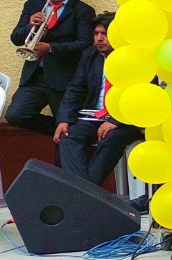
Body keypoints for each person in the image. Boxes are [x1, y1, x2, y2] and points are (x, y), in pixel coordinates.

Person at [55, 12, 142, 188]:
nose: (99, 39)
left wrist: (114, 120)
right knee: (68, 136)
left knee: (111, 138)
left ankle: (83, 192)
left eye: (105, 34)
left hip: (125, 120)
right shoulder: (90, 55)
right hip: (93, 115)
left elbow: (139, 96)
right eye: (96, 34)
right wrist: (64, 119)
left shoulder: (134, 58)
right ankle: (84, 191)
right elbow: (75, 89)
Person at [8, 0, 96, 136]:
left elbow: (85, 44)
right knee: (15, 115)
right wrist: (29, 26)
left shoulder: (83, 11)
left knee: (66, 126)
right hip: (35, 77)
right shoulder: (33, 5)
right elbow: (16, 38)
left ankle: (65, 137)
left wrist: (51, 48)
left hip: (64, 79)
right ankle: (57, 127)